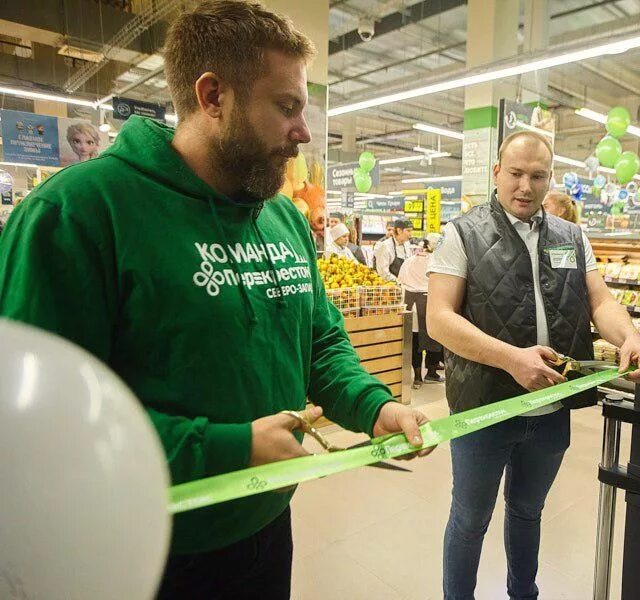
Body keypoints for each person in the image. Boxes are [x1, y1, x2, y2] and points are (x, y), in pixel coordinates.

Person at [0, 2, 432, 598]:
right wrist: (231, 447)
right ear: (213, 96)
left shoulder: (280, 217)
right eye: (287, 107)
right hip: (143, 544)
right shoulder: (77, 214)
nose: (303, 132)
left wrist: (375, 407)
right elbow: (44, 425)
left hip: (264, 524)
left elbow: (319, 340)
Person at [427, 130, 640, 600]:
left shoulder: (572, 236)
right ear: (496, 172)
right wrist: (511, 359)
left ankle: (523, 594)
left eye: (537, 175)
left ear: (550, 178)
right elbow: (439, 320)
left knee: (528, 512)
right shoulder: (461, 233)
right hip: (484, 409)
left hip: (551, 410)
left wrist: (629, 335)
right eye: (515, 173)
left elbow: (600, 300)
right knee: (469, 521)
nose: (525, 186)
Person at [398, 232, 444, 388]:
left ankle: (417, 377)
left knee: (414, 341)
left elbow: (400, 281)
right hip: (430, 304)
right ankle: (431, 373)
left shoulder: (409, 261)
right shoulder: (436, 262)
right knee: (434, 339)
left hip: (410, 305)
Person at [374, 218, 414, 283]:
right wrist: (399, 282)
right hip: (390, 287)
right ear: (399, 231)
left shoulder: (407, 244)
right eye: (408, 231)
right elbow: (383, 273)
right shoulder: (385, 246)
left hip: (405, 285)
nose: (410, 234)